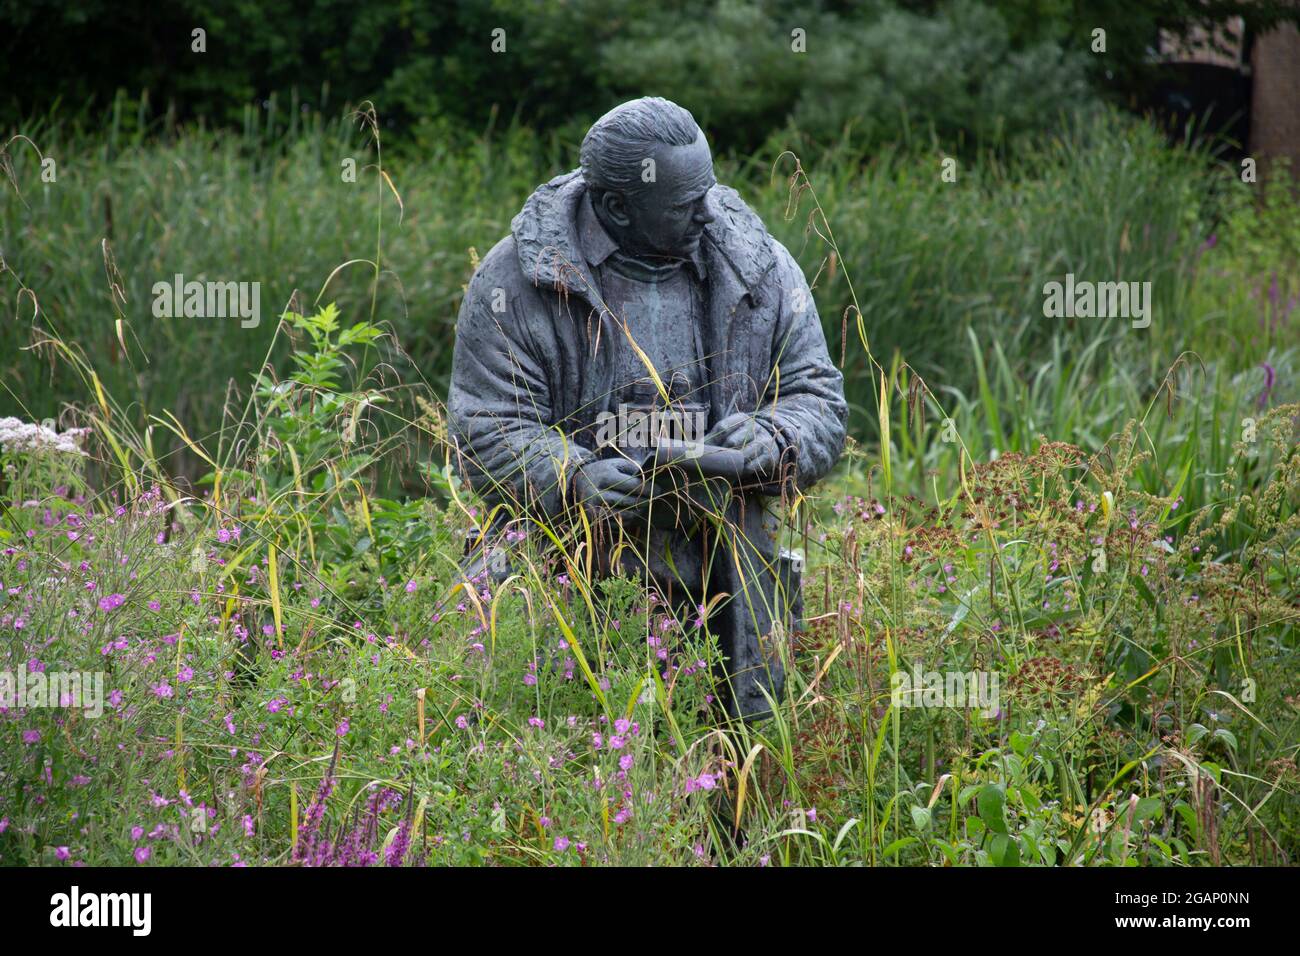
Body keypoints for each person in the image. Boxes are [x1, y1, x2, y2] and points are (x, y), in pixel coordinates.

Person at [448, 96, 846, 722]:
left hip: (728, 581)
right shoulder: (513, 285)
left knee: (740, 785)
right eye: (686, 204)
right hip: (562, 571)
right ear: (615, 208)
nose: (708, 213)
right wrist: (573, 477)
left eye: (708, 192)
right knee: (566, 775)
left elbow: (818, 398)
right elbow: (486, 427)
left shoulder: (760, 267)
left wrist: (770, 438)